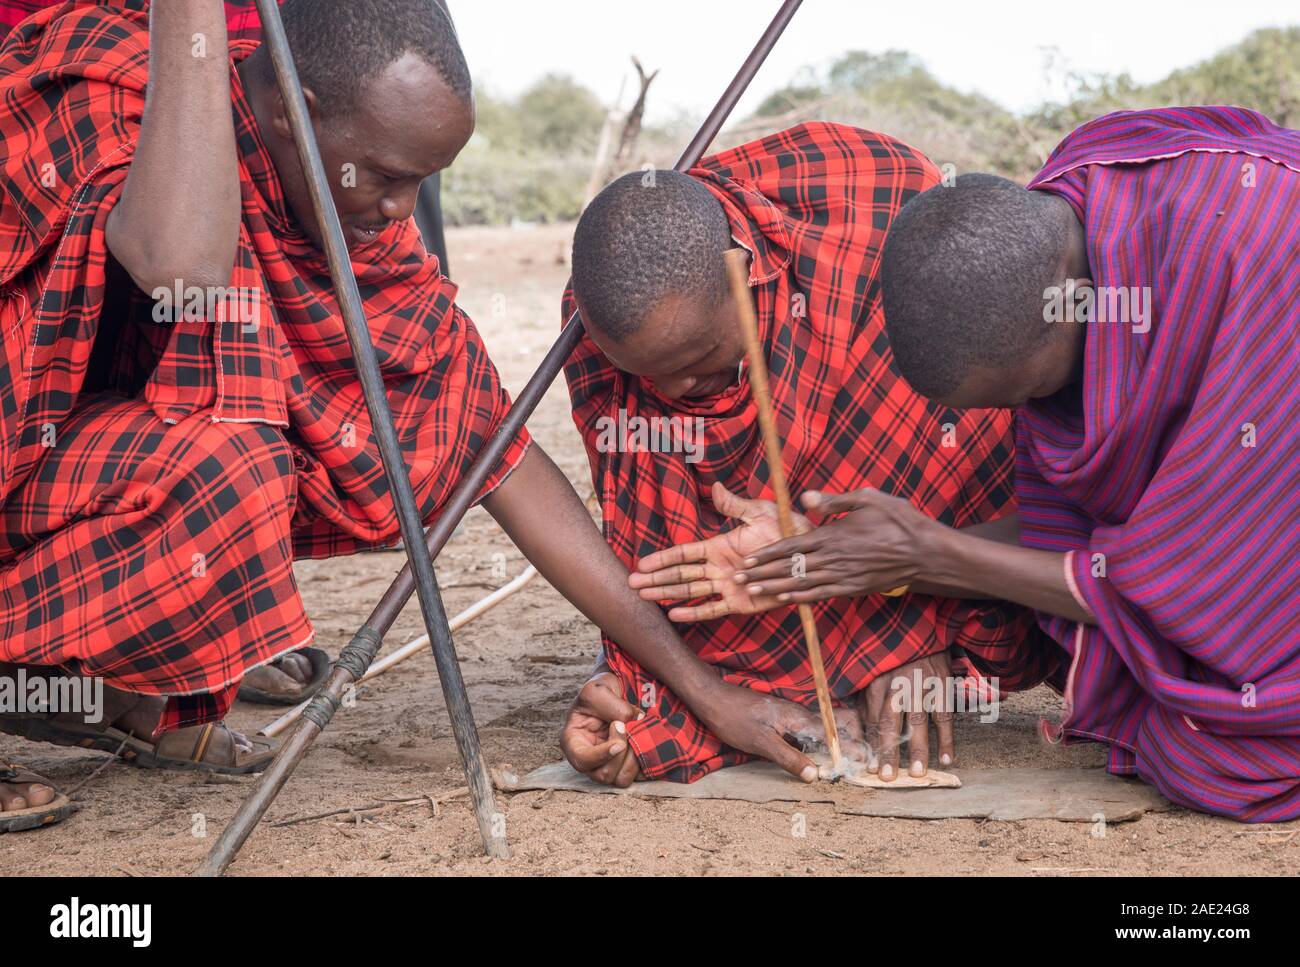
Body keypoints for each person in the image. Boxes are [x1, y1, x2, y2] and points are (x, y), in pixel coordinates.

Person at [0, 0, 820, 830]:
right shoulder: (105, 97)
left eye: (422, 182)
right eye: (388, 177)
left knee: (248, 467)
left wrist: (709, 696)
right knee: (227, 467)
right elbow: (184, 262)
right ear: (292, 109)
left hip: (55, 473)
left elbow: (496, 451)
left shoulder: (349, 210)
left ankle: (88, 694)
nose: (403, 209)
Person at [722, 106, 1300, 821]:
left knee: (1232, 752)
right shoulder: (1071, 208)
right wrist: (876, 551)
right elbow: (1117, 538)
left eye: (1031, 391)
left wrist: (930, 554)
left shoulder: (1258, 273)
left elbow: (1204, 586)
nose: (1037, 419)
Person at [560, 123, 1060, 786]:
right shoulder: (607, 325)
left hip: (951, 559)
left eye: (699, 362)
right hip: (778, 585)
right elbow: (658, 545)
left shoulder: (873, 218)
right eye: (650, 374)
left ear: (743, 274)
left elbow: (971, 450)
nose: (673, 390)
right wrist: (638, 690)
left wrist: (909, 615)